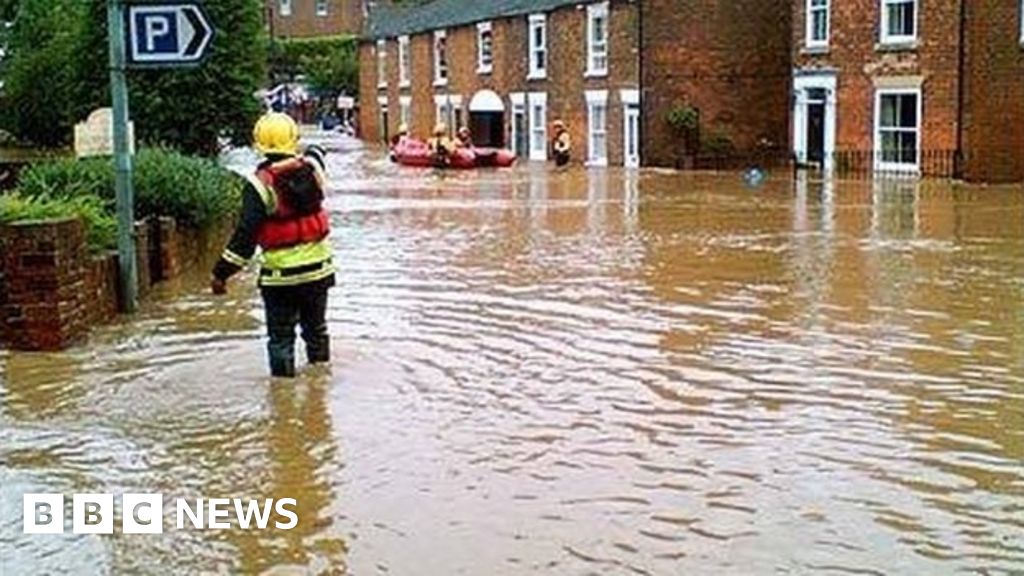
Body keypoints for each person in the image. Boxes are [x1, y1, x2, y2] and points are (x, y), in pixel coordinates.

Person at [210, 112, 334, 378]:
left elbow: (245, 237)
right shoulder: (313, 169)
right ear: (293, 139)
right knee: (317, 330)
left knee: (280, 338)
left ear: (258, 143)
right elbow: (316, 153)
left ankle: (282, 397)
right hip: (319, 272)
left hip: (280, 278)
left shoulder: (258, 185)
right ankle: (320, 384)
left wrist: (221, 273)